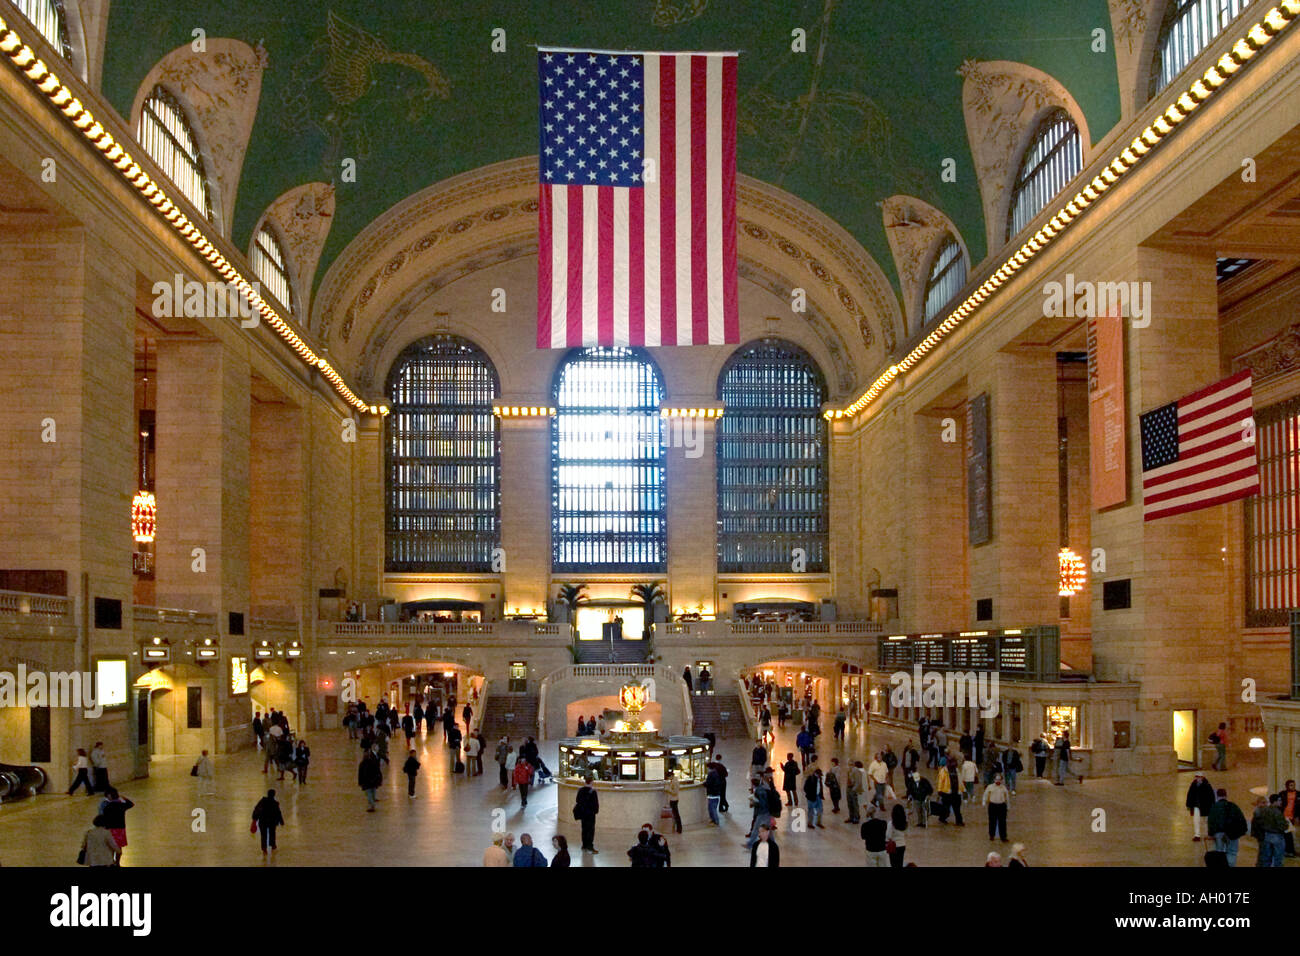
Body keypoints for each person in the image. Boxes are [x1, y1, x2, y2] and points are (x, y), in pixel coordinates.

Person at [1207, 787, 1248, 866]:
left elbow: (1211, 821)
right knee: (1232, 852)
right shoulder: (1233, 806)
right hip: (1232, 833)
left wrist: (1210, 834)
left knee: (1219, 852)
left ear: (1217, 796)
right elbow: (1241, 819)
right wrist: (1242, 831)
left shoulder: (1214, 807)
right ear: (1226, 795)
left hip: (1218, 833)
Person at [1251, 794, 1288, 867]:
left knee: (1266, 857)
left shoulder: (1264, 811)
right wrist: (1286, 825)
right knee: (1278, 857)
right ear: (1275, 801)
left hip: (1267, 835)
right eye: (1279, 800)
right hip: (1277, 836)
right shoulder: (1277, 812)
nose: (1281, 802)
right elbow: (1282, 826)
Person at [98, 788, 133, 863]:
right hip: (120, 829)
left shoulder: (107, 806)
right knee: (119, 846)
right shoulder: (122, 805)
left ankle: (111, 861)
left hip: (110, 829)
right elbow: (131, 804)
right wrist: (123, 798)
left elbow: (102, 817)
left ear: (109, 796)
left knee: (111, 846)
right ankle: (117, 862)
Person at [747, 771, 779, 849]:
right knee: (769, 829)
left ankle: (750, 844)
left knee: (756, 828)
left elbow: (762, 803)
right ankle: (773, 844)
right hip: (767, 812)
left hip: (763, 812)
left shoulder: (759, 790)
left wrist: (754, 802)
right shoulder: (762, 787)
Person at [251, 788, 284, 854]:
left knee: (263, 835)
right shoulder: (275, 803)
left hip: (263, 821)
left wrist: (254, 819)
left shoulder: (262, 801)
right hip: (272, 822)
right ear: (274, 795)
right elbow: (278, 813)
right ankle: (273, 845)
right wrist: (281, 821)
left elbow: (257, 810)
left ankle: (264, 848)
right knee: (272, 833)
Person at [574, 775, 600, 852]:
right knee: (590, 830)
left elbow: (577, 800)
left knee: (584, 829)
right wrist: (595, 811)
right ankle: (590, 846)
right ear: (591, 782)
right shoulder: (593, 792)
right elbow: (596, 804)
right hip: (590, 814)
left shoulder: (580, 790)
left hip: (583, 814)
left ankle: (584, 845)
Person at [1186, 772, 1215, 841]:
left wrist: (1212, 805)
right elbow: (1190, 795)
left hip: (1206, 806)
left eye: (1199, 777)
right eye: (1197, 777)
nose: (1198, 778)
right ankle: (1197, 835)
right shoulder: (1193, 785)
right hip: (1196, 806)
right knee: (1196, 820)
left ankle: (1208, 834)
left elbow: (1211, 796)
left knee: (1206, 821)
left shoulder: (1207, 785)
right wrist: (1188, 804)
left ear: (1202, 777)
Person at [983, 772, 1010, 842]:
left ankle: (1003, 836)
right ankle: (992, 835)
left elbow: (1007, 797)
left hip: (1002, 806)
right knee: (992, 821)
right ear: (994, 780)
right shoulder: (990, 787)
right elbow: (985, 795)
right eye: (996, 779)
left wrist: (1008, 806)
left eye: (999, 779)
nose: (998, 781)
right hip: (992, 805)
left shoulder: (1003, 788)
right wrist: (984, 802)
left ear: (1001, 780)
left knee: (1002, 822)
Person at [935, 759, 963, 825]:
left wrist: (962, 790)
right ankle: (942, 818)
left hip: (956, 792)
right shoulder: (943, 771)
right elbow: (940, 781)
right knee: (946, 808)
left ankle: (959, 821)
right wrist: (939, 790)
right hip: (946, 793)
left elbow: (960, 780)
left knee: (957, 808)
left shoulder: (957, 770)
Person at [887, 802, 908, 868]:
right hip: (902, 845)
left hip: (894, 846)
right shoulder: (905, 823)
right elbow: (906, 833)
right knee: (899, 864)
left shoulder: (891, 823)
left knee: (893, 864)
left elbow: (888, 835)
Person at [705, 761, 724, 825]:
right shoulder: (717, 772)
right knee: (713, 808)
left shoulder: (711, 774)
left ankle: (715, 821)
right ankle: (714, 820)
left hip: (712, 794)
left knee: (712, 808)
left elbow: (708, 783)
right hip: (717, 793)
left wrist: (704, 784)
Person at [665, 769, 682, 833]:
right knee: (675, 814)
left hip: (674, 800)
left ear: (671, 776)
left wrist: (667, 789)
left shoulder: (675, 782)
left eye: (669, 777)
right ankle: (677, 828)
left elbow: (674, 792)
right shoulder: (674, 780)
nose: (668, 778)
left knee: (676, 814)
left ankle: (679, 829)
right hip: (674, 799)